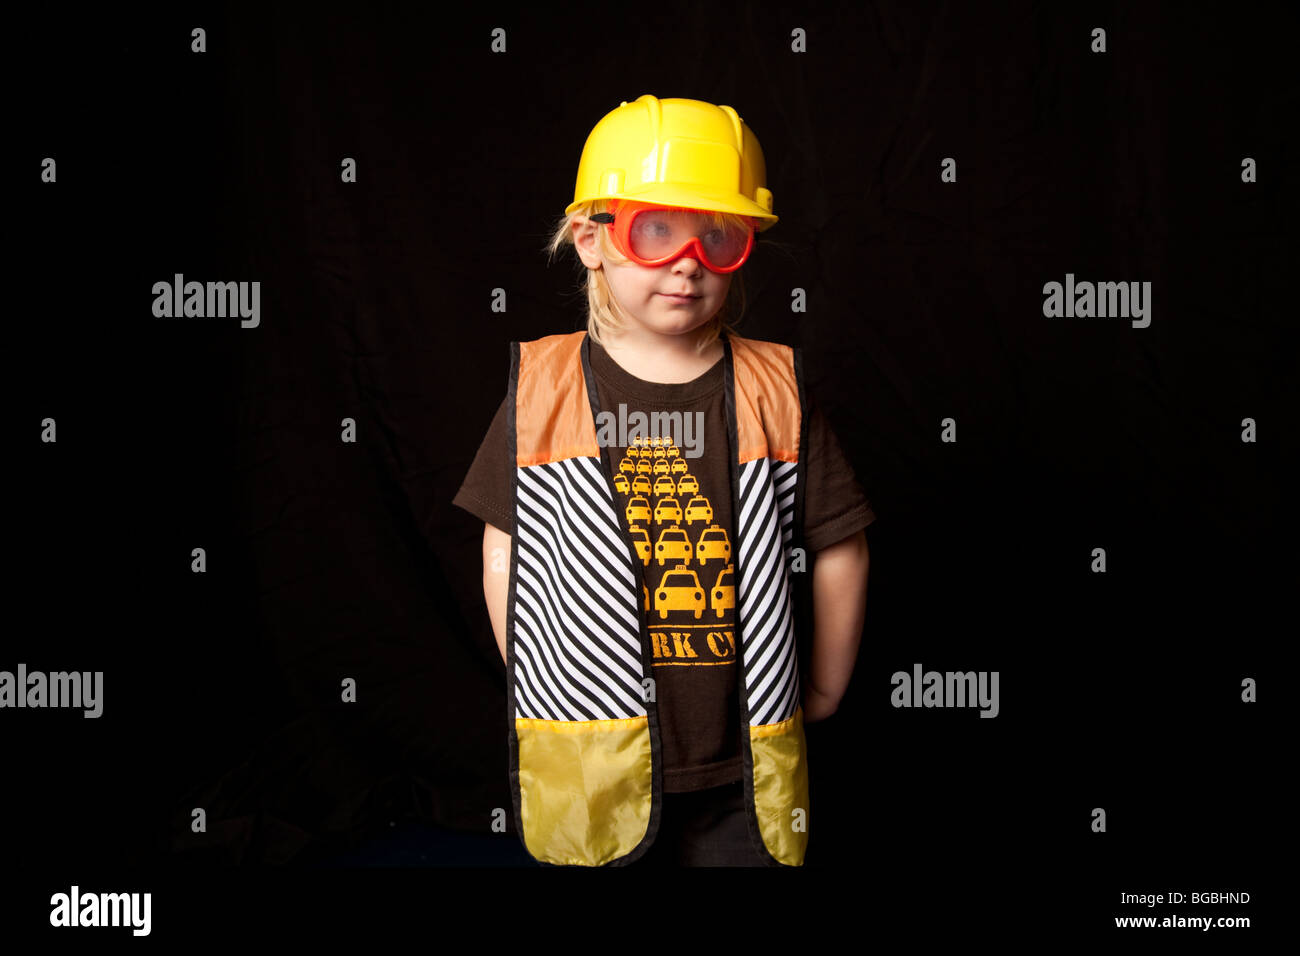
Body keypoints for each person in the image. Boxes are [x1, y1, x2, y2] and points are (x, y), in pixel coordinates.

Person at [453, 95, 873, 867]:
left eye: (719, 235)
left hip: (740, 751)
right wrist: (533, 671)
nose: (689, 260)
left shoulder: (777, 388)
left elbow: (840, 546)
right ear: (591, 239)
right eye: (657, 229)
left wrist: (826, 687)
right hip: (590, 747)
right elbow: (504, 548)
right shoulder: (542, 384)